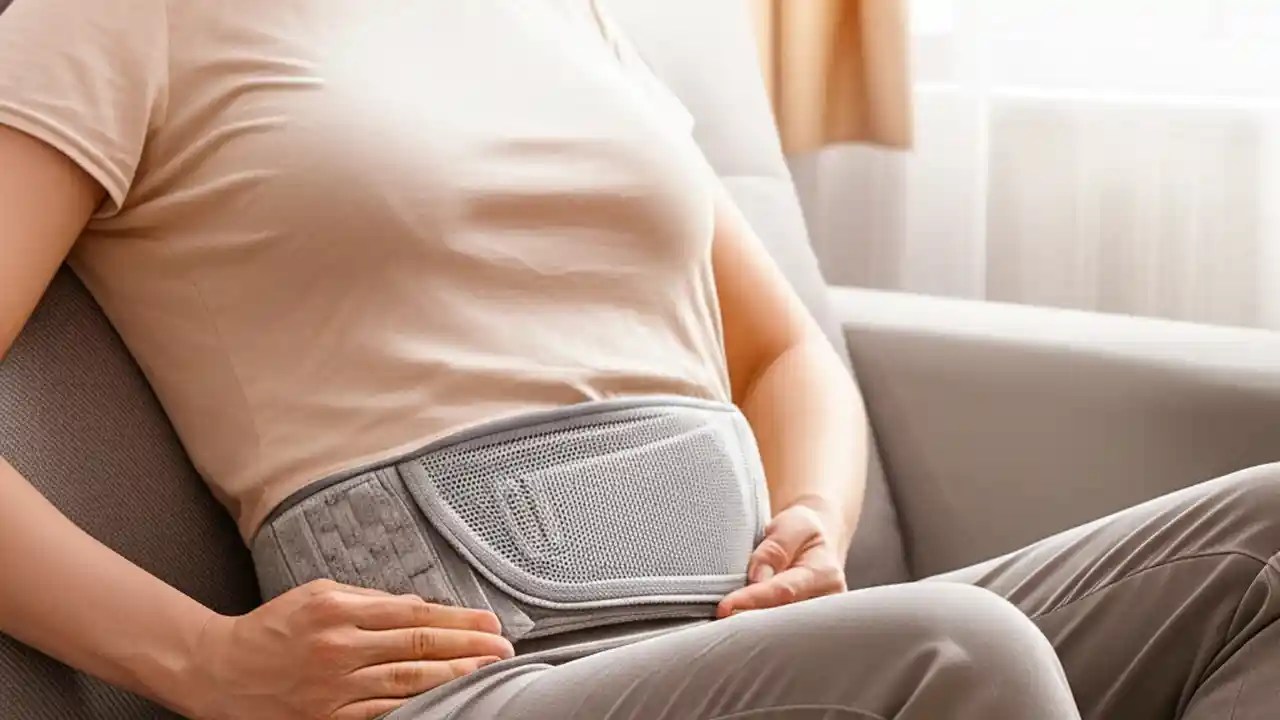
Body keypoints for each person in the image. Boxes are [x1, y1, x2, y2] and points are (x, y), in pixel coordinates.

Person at [1, 0, 1278, 718]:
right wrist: (198, 658)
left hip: (741, 628)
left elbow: (778, 350)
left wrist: (811, 532)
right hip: (479, 685)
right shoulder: (116, 18)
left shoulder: (571, 18)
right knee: (960, 653)